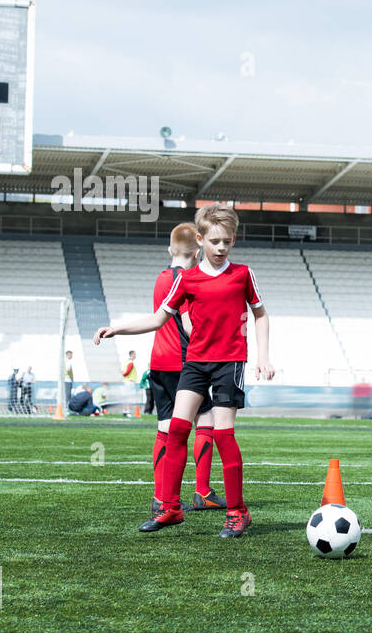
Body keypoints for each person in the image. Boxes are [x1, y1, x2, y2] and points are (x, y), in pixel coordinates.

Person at [94, 203, 274, 538]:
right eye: (215, 241)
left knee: (222, 434)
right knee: (177, 429)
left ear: (233, 240)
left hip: (229, 362)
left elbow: (261, 314)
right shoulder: (187, 279)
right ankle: (171, 509)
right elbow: (158, 319)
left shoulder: (243, 274)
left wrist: (263, 356)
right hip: (194, 362)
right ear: (201, 241)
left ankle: (237, 511)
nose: (221, 248)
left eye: (227, 242)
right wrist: (117, 327)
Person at [144, 223, 225, 517]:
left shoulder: (161, 276)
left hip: (158, 361)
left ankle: (159, 497)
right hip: (183, 361)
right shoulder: (187, 279)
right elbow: (189, 324)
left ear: (170, 249)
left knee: (165, 426)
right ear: (198, 250)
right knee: (206, 418)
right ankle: (202, 491)